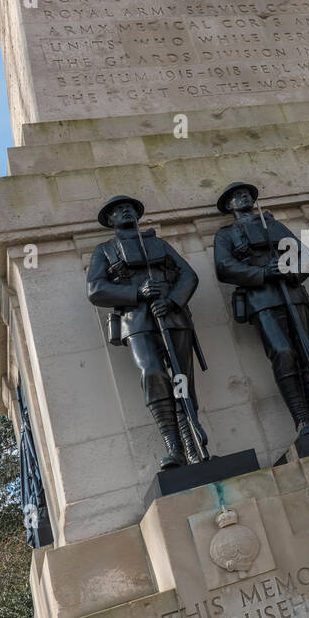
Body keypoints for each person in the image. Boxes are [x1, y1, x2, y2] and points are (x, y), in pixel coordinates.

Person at [214, 182, 309, 437]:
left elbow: (306, 256)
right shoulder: (226, 235)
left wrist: (290, 271)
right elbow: (224, 267)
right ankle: (302, 419)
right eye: (237, 196)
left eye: (247, 194)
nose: (243, 197)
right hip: (262, 301)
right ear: (229, 206)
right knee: (283, 354)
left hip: (293, 295)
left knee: (306, 355)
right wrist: (262, 272)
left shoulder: (273, 225)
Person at [87, 195, 205, 467]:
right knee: (152, 372)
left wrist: (172, 300)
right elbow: (95, 289)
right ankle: (173, 446)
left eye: (129, 208)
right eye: (118, 210)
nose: (125, 211)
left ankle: (192, 447)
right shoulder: (104, 251)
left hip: (173, 316)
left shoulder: (159, 243)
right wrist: (135, 293)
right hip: (136, 321)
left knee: (182, 378)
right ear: (110, 220)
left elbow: (189, 275)